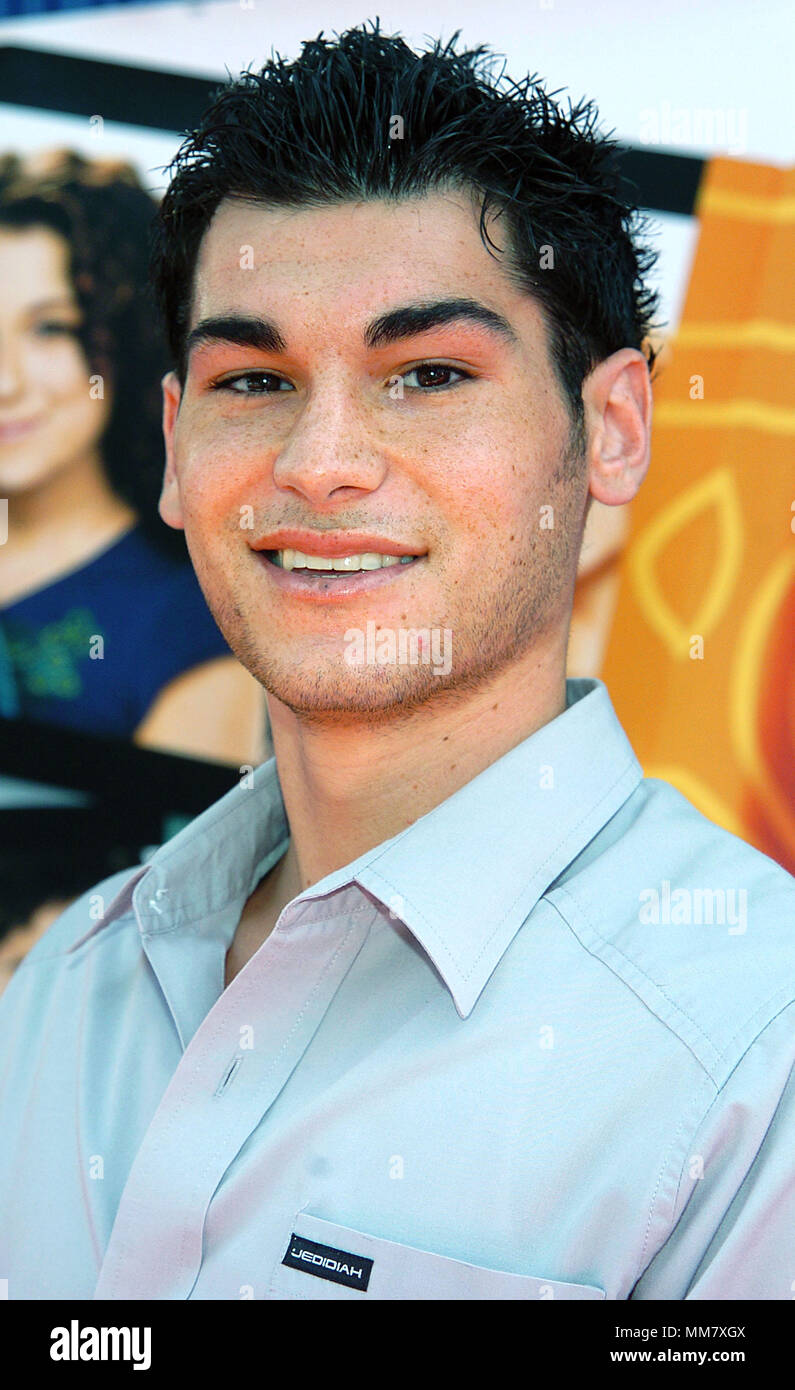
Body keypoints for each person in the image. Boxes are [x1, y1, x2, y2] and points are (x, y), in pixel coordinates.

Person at [0, 24, 792, 1301]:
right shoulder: (63, 988)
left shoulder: (759, 1067)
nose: (320, 463)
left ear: (614, 429)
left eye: (426, 372)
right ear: (172, 442)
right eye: (252, 380)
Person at [0, 149, 265, 763]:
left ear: (123, 337)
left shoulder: (197, 619)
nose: (6, 382)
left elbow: (180, 854)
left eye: (51, 329)